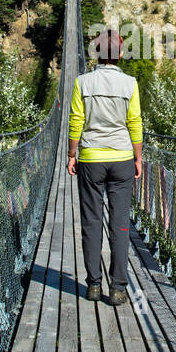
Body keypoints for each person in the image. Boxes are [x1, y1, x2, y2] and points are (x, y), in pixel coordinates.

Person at [67, 28, 142, 305]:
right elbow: (134, 123)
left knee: (91, 222)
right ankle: (119, 288)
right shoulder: (130, 84)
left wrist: (71, 154)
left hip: (91, 161)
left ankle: (94, 285)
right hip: (122, 159)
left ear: (97, 53)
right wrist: (138, 157)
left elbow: (77, 120)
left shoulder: (82, 83)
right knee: (120, 225)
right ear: (120, 54)